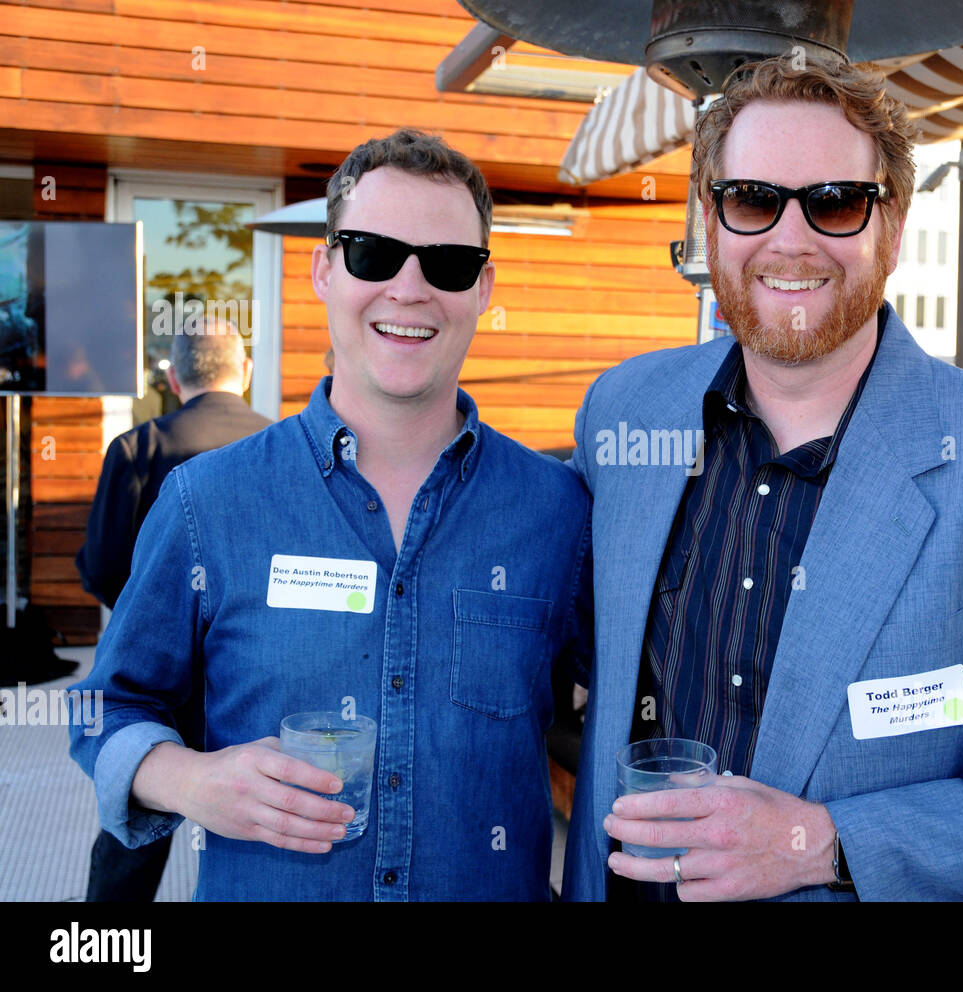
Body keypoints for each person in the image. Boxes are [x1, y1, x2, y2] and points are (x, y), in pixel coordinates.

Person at [562, 56, 963, 902]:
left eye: (836, 202)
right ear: (710, 216)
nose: (790, 239)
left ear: (894, 225)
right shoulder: (624, 411)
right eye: (753, 200)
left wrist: (820, 844)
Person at [69, 128, 591, 901]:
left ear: (483, 288)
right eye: (374, 254)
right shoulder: (206, 502)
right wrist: (188, 779)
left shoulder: (558, 509)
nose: (409, 288)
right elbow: (101, 704)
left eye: (447, 263)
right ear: (324, 269)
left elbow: (638, 707)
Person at [75, 322, 271, 901]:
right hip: (257, 682)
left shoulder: (136, 447)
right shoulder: (285, 449)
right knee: (266, 830)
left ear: (173, 379)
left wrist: (151, 628)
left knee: (133, 832)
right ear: (246, 372)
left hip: (158, 683)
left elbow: (103, 566)